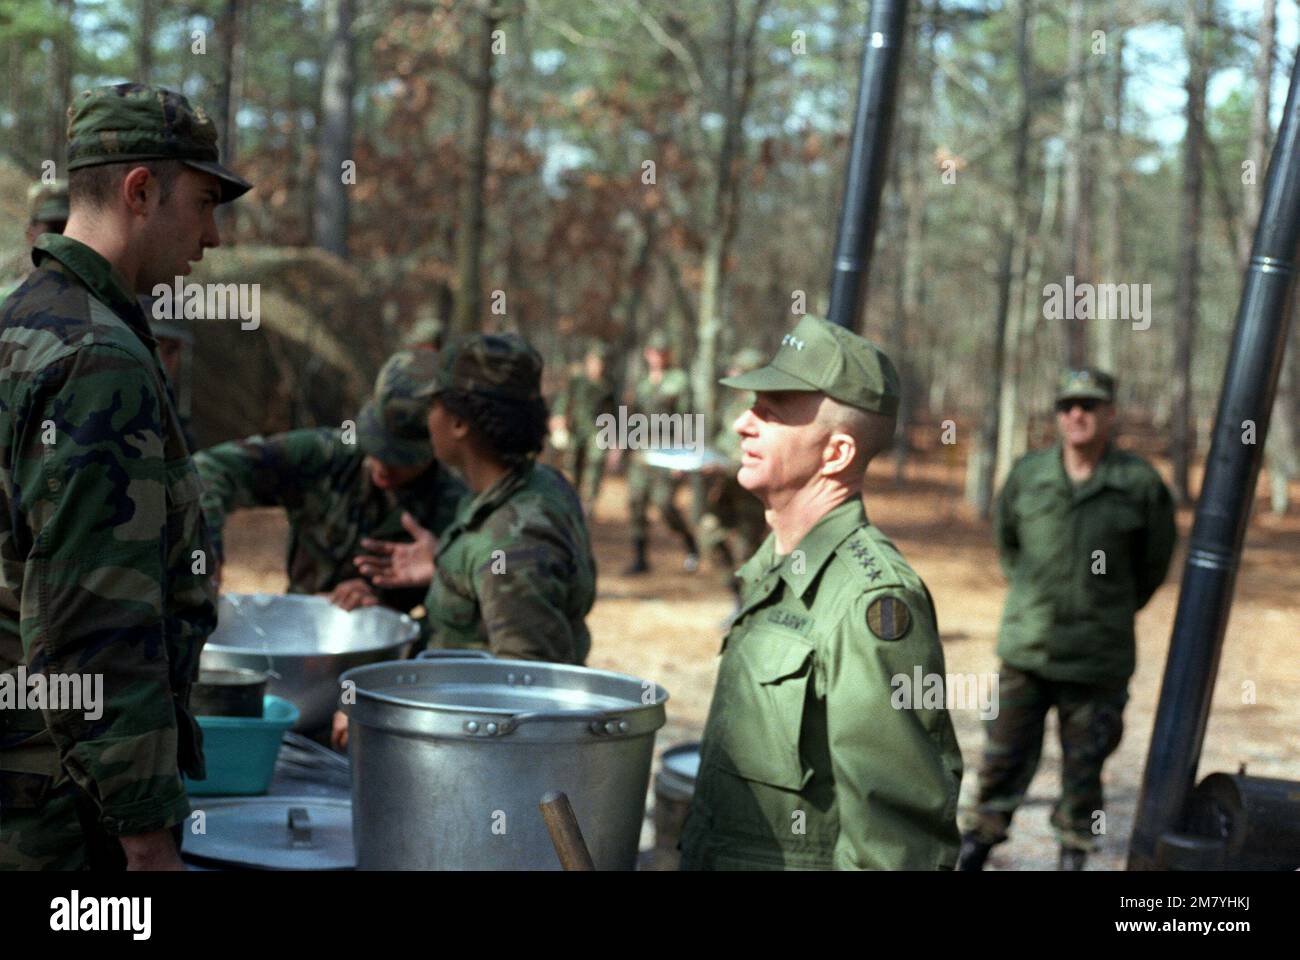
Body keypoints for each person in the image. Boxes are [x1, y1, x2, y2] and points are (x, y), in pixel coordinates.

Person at [0, 82, 250, 871]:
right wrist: (144, 835)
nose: (212, 236)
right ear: (141, 191)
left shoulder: (22, 320)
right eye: (204, 203)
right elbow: (91, 623)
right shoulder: (98, 358)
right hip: (64, 814)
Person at [679, 316, 963, 870]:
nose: (742, 424)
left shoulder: (871, 601)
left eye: (770, 413)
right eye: (752, 406)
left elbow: (895, 847)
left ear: (836, 454)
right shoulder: (774, 566)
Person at [957, 368, 1176, 871]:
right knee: (1001, 758)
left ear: (1110, 413)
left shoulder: (1138, 484)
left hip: (1097, 660)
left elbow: (1153, 565)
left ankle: (1073, 852)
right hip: (1028, 649)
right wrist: (1036, 598)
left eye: (1089, 405)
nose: (1077, 414)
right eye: (1067, 406)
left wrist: (1106, 609)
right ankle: (978, 844)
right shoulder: (1029, 475)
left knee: (1085, 769)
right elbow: (1008, 546)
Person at [339, 333, 597, 749]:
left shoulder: (512, 543)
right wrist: (448, 566)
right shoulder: (534, 485)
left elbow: (526, 705)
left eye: (433, 405)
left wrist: (379, 713)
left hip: (476, 761)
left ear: (459, 423)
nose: (427, 419)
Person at [193, 349, 466, 614]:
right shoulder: (327, 456)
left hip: (386, 638)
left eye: (401, 458)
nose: (383, 465)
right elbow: (208, 469)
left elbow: (462, 618)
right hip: (294, 628)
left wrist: (382, 608)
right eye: (377, 446)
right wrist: (206, 549)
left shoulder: (457, 508)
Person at [623, 330, 699, 574]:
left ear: (669, 354)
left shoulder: (679, 381)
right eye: (655, 352)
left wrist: (683, 458)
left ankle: (691, 545)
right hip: (642, 451)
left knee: (664, 504)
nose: (659, 356)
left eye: (663, 352)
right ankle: (640, 558)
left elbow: (687, 419)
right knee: (636, 502)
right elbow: (633, 417)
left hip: (669, 452)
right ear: (648, 354)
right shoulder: (642, 383)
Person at [699, 346, 769, 598]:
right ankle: (738, 597)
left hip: (752, 493)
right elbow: (723, 443)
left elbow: (765, 451)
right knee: (710, 534)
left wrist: (727, 465)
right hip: (727, 488)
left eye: (737, 369)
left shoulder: (764, 408)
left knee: (748, 552)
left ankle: (751, 604)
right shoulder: (733, 406)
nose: (731, 372)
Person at [550, 340, 617, 515]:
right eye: (596, 361)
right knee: (573, 465)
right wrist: (559, 415)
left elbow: (613, 413)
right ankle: (572, 499)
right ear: (589, 361)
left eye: (602, 362)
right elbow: (564, 399)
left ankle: (589, 503)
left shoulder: (609, 385)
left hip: (597, 431)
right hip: (576, 429)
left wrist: (614, 439)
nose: (599, 366)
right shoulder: (578, 380)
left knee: (596, 461)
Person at [0, 180, 69, 304]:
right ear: (30, 233)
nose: (66, 238)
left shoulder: (97, 301)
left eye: (73, 229)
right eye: (57, 229)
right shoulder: (7, 303)